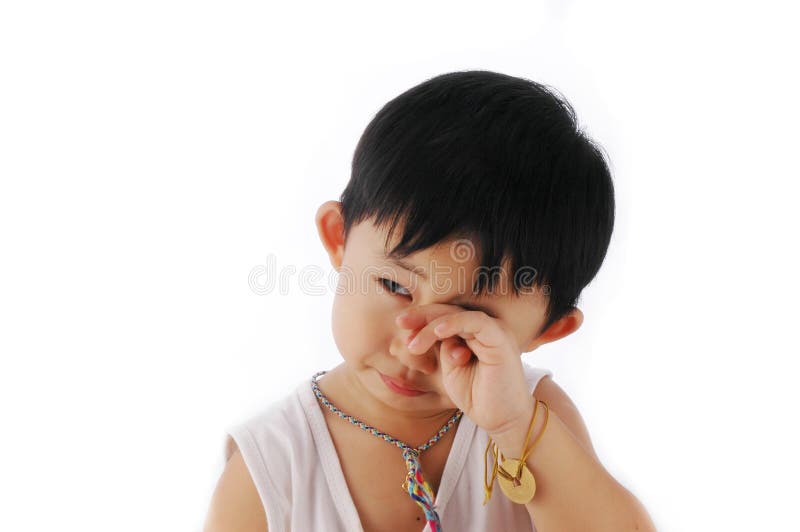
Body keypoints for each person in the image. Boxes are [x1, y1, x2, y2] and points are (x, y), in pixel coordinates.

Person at [203, 70, 656, 532]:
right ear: (339, 237)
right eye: (395, 286)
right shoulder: (271, 468)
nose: (415, 348)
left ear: (547, 329)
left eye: (469, 321)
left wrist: (515, 429)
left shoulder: (532, 418)